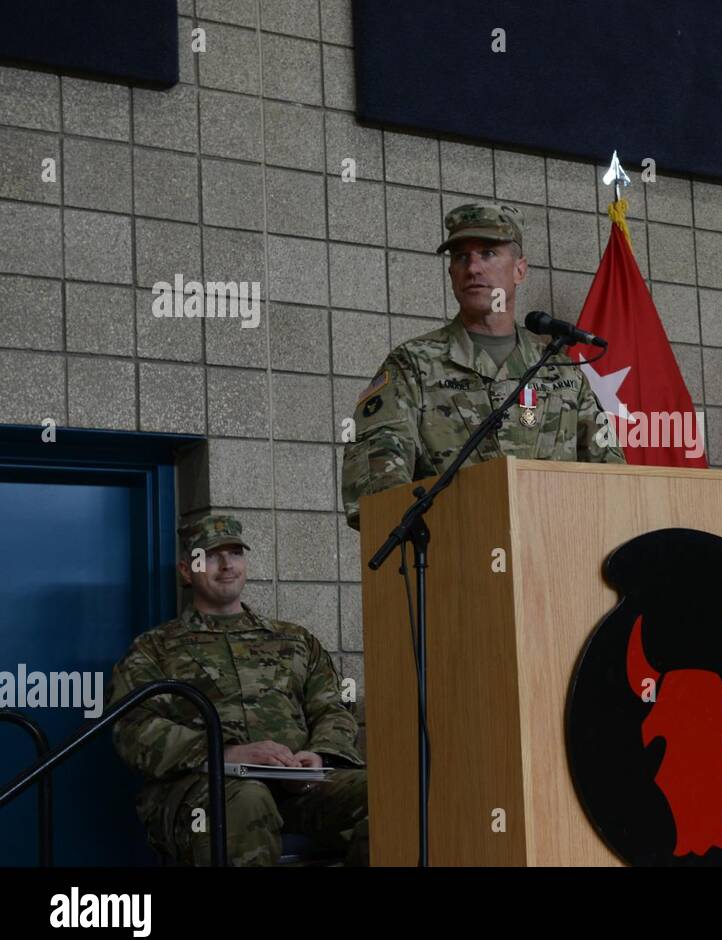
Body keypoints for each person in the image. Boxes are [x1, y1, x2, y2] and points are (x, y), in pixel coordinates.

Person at [342, 202, 624, 529]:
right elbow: (377, 484)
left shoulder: (561, 372)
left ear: (520, 269)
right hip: (456, 560)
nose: (473, 268)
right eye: (462, 257)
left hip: (554, 557)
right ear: (451, 274)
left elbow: (611, 479)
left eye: (488, 253)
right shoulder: (414, 364)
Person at [109, 514, 367, 866]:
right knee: (247, 798)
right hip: (202, 792)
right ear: (187, 570)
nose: (227, 564)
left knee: (384, 794)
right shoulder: (155, 648)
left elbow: (333, 709)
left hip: (297, 788)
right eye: (211, 556)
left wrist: (317, 757)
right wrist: (224, 753)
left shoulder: (295, 640)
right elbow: (133, 730)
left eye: (235, 553)